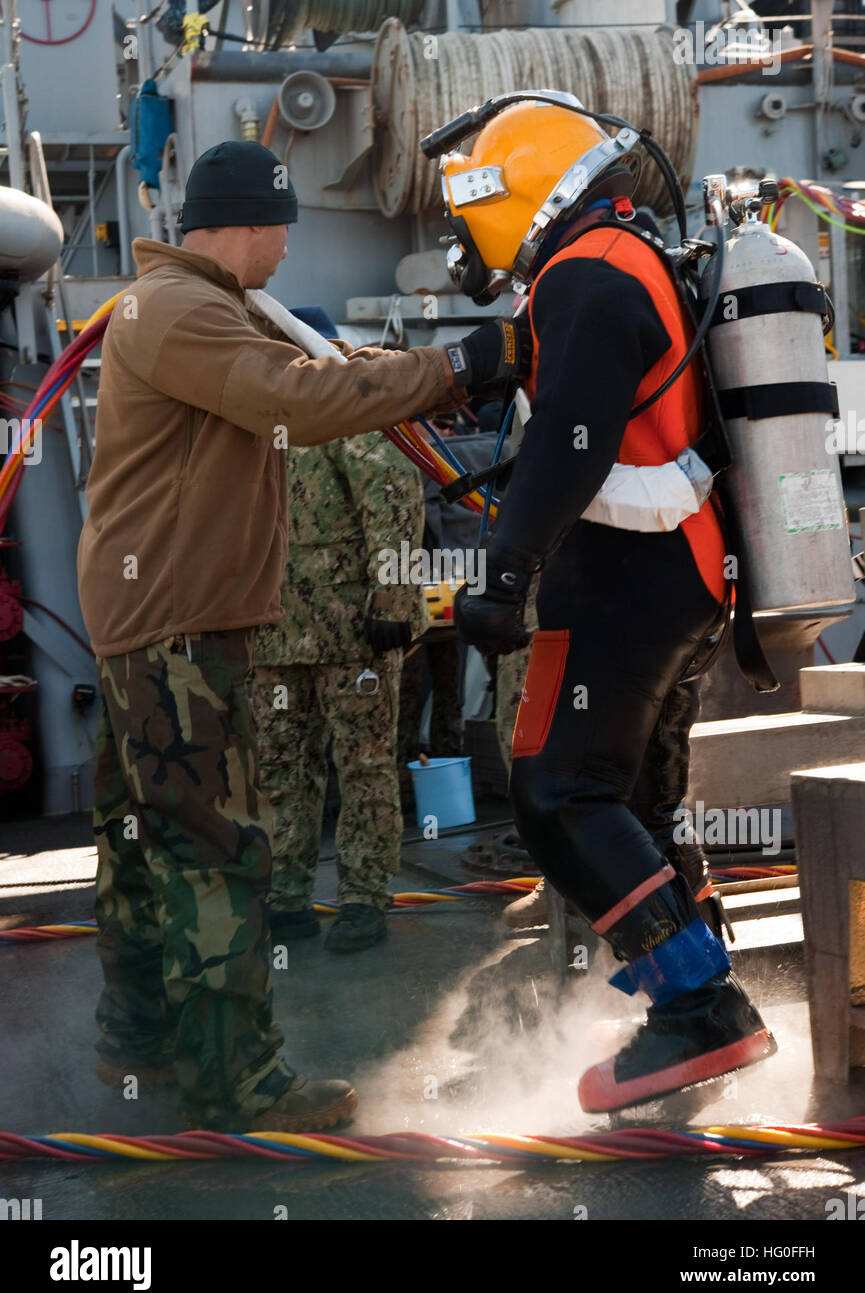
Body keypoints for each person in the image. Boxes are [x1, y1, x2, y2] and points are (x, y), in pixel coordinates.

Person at [78, 139, 531, 1132]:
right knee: (219, 849)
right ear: (247, 225)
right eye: (282, 232)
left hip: (154, 625)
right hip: (177, 634)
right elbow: (297, 398)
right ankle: (236, 1082)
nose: (287, 252)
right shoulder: (184, 311)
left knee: (143, 841)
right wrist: (458, 363)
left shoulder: (200, 307)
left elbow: (324, 366)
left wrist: (443, 374)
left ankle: (144, 1041)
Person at [448, 97, 775, 1112]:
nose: (464, 233)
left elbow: (573, 444)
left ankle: (699, 1009)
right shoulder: (618, 258)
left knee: (556, 792)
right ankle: (698, 989)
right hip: (680, 569)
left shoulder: (584, 272)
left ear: (518, 195)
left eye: (470, 209)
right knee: (636, 799)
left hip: (628, 574)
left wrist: (502, 576)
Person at [253, 420, 428, 953]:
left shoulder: (336, 396)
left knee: (366, 766)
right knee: (280, 767)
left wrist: (394, 597)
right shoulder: (244, 402)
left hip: (351, 628)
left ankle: (363, 897)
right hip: (273, 629)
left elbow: (392, 488)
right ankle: (285, 897)